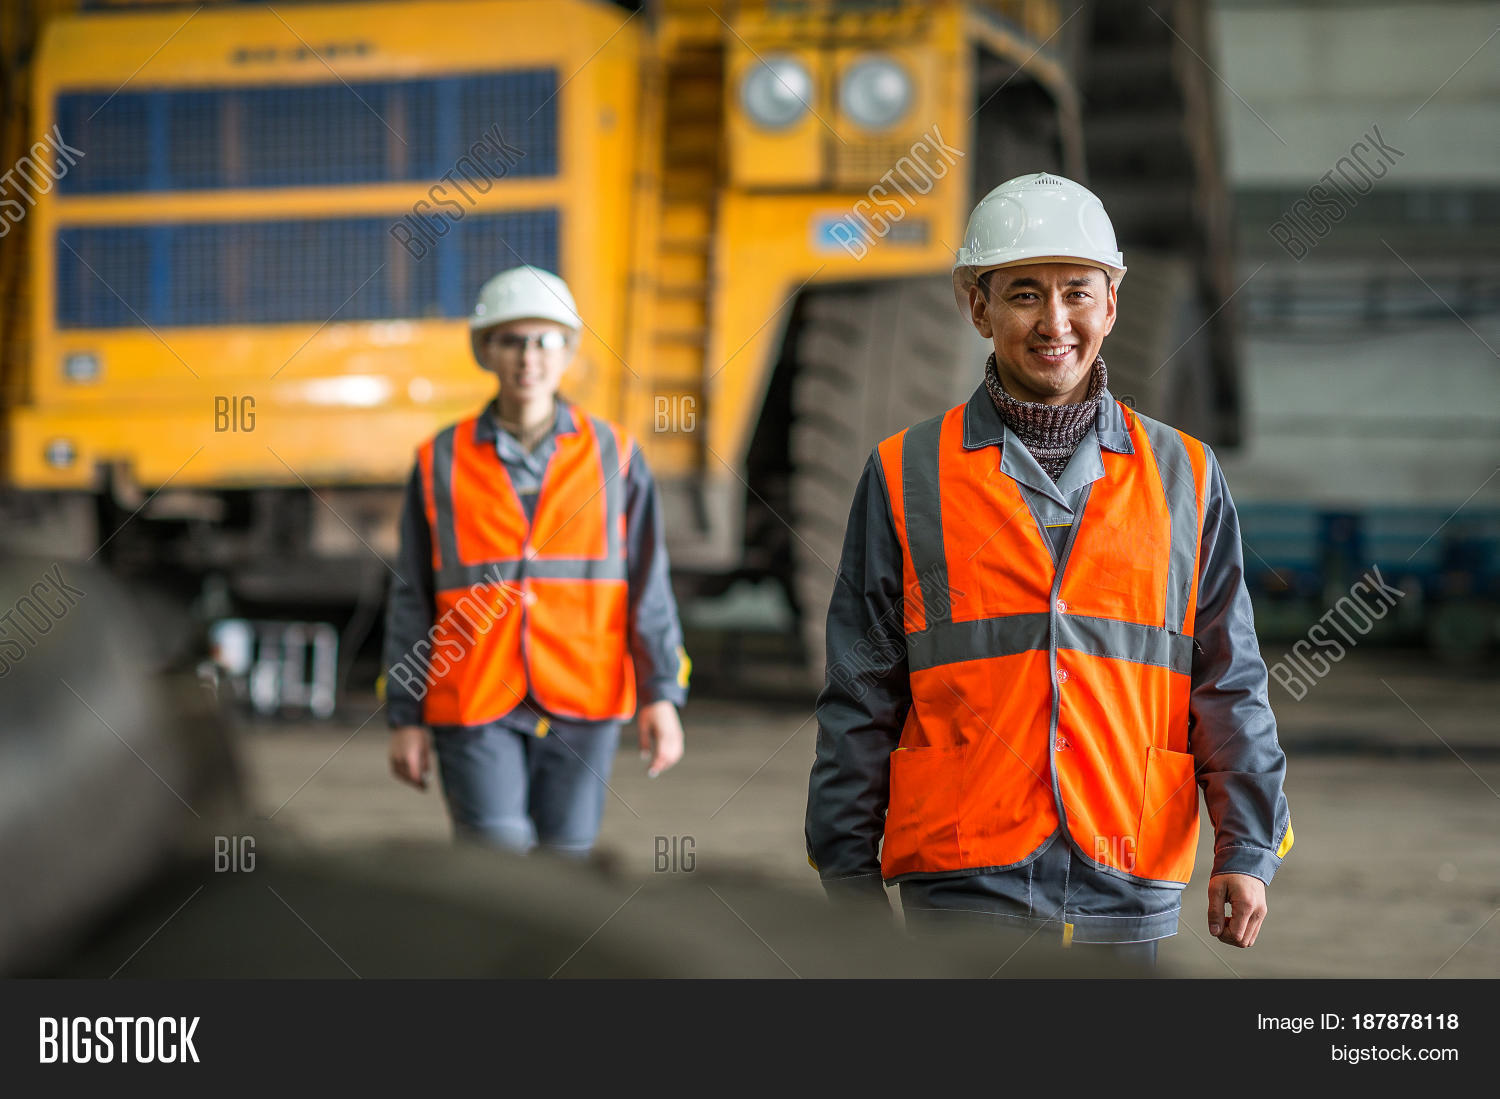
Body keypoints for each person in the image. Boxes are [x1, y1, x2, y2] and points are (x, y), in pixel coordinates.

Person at [804, 173, 1293, 968]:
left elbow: (1227, 680)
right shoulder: (904, 472)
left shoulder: (1186, 475)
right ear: (978, 307)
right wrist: (846, 864)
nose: (1054, 321)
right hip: (963, 873)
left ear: (1112, 303)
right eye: (1024, 294)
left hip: (1126, 862)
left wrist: (1247, 846)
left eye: (1077, 291)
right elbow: (861, 689)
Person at [384, 264, 690, 856]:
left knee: (566, 865)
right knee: (497, 859)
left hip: (584, 693)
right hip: (473, 693)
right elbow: (411, 595)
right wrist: (405, 715)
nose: (530, 357)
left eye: (546, 339)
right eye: (511, 340)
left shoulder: (616, 455)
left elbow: (649, 586)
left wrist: (660, 696)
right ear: (485, 350)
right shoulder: (438, 460)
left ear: (569, 348)